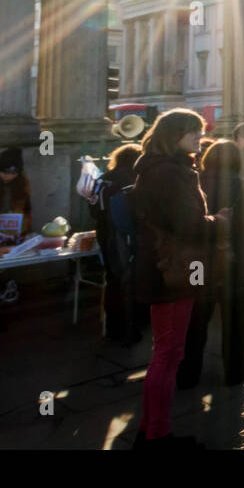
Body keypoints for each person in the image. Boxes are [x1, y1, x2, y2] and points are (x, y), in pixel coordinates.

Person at [131, 108, 224, 448]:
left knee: (167, 353)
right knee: (168, 354)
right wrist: (222, 220)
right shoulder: (170, 174)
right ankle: (157, 436)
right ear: (175, 135)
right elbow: (189, 225)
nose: (201, 138)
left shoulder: (159, 169)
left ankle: (151, 428)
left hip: (162, 268)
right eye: (194, 132)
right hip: (170, 272)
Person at [178, 139, 244, 388]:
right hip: (233, 260)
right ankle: (236, 370)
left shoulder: (193, 183)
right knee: (235, 319)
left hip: (198, 261)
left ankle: (188, 373)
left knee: (194, 319)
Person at [88, 143, 146, 346]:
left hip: (106, 235)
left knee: (112, 279)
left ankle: (113, 327)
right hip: (129, 236)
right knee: (132, 281)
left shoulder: (103, 179)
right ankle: (133, 327)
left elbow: (93, 211)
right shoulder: (136, 179)